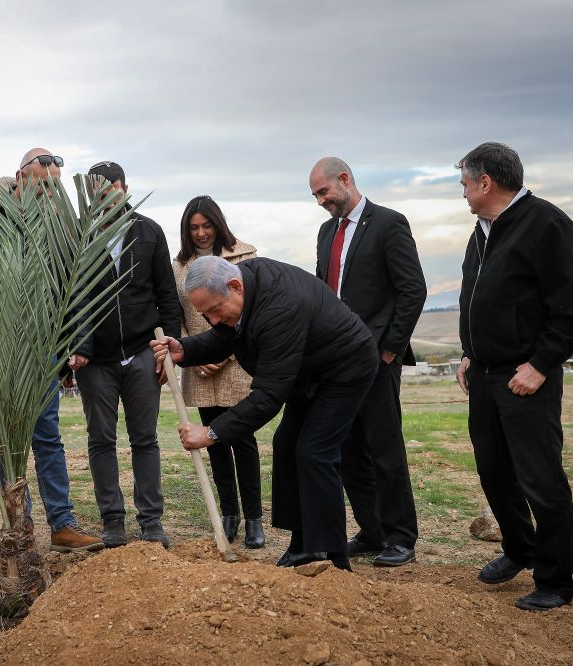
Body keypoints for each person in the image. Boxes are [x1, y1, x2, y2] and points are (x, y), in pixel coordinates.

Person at [153, 255, 377, 571]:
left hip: (345, 368)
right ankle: (303, 546)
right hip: (307, 371)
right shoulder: (244, 290)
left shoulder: (279, 307)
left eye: (215, 310)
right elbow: (225, 336)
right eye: (206, 315)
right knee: (287, 445)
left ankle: (331, 557)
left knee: (315, 452)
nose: (213, 319)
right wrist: (185, 350)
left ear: (234, 286)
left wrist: (212, 432)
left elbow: (268, 396)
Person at [455, 142, 573, 611]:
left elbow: (571, 311)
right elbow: (478, 298)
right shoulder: (482, 230)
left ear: (485, 182)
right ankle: (520, 548)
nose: (464, 193)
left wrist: (540, 365)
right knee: (493, 470)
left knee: (540, 478)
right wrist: (471, 353)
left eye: (465, 184)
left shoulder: (547, 224)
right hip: (484, 374)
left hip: (525, 376)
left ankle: (555, 581)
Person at [0, 148, 103, 553]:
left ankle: (62, 524)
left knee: (48, 436)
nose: (50, 194)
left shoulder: (59, 225)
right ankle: (20, 523)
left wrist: (77, 341)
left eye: (54, 188)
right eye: (43, 184)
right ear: (21, 176)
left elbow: (75, 285)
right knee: (4, 438)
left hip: (43, 347)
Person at [310, 157, 425, 567]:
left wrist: (390, 348)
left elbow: (413, 290)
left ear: (345, 179)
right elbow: (325, 292)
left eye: (324, 192)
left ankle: (400, 536)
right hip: (335, 360)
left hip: (377, 357)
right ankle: (372, 530)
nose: (321, 201)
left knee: (384, 448)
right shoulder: (326, 232)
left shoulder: (389, 223)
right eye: (316, 196)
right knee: (348, 449)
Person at [74, 161, 182, 549]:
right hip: (96, 361)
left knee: (145, 439)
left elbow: (167, 295)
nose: (102, 196)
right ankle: (113, 522)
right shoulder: (78, 237)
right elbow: (71, 299)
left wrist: (169, 350)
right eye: (95, 190)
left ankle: (151, 522)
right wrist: (76, 347)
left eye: (110, 187)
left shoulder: (149, 232)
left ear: (124, 187)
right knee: (101, 439)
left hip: (141, 353)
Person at [171, 195, 263, 548]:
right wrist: (192, 349)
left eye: (206, 226)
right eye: (193, 228)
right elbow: (176, 314)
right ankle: (229, 515)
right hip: (199, 364)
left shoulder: (244, 255)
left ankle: (254, 517)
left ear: (218, 224)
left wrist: (223, 352)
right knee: (213, 440)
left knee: (242, 438)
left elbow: (251, 306)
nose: (201, 233)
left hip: (236, 362)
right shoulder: (179, 266)